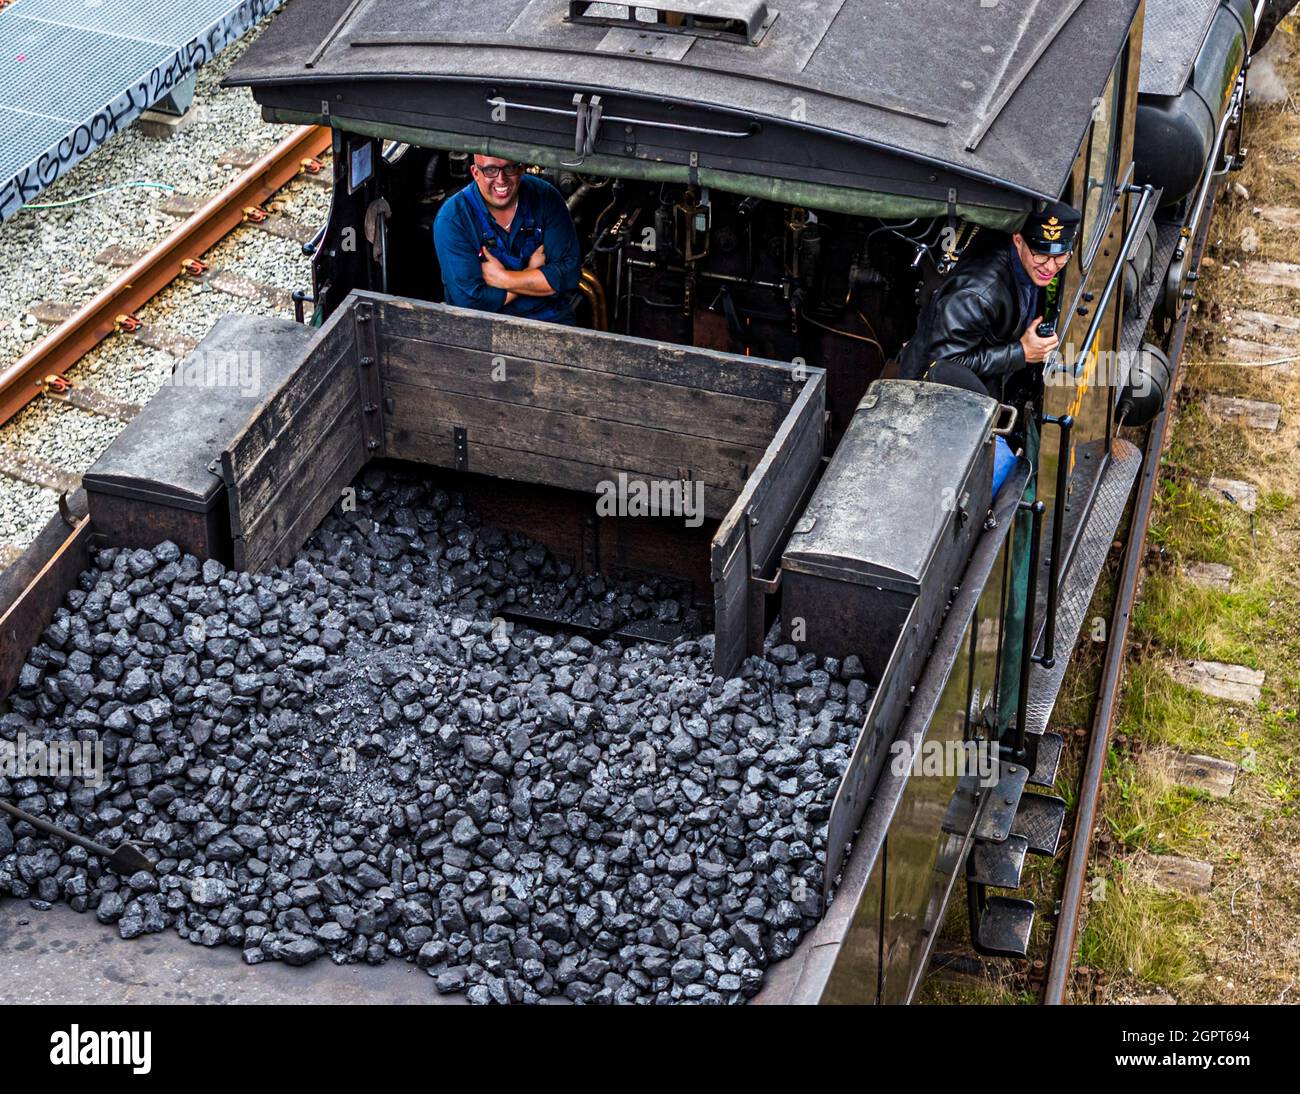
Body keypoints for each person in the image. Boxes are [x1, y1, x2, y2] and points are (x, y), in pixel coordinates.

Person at [898, 200, 1081, 401]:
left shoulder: (1026, 263)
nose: (1050, 267)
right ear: (1018, 241)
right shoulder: (977, 296)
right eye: (1040, 255)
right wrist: (1021, 352)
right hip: (936, 397)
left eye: (1061, 256)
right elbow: (943, 366)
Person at [433, 155, 582, 324]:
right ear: (475, 173)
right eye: (490, 170)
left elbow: (568, 275)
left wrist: (502, 278)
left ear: (521, 168)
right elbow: (470, 302)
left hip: (551, 319)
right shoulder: (453, 218)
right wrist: (533, 273)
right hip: (481, 327)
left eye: (509, 168)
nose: (501, 179)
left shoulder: (546, 198)